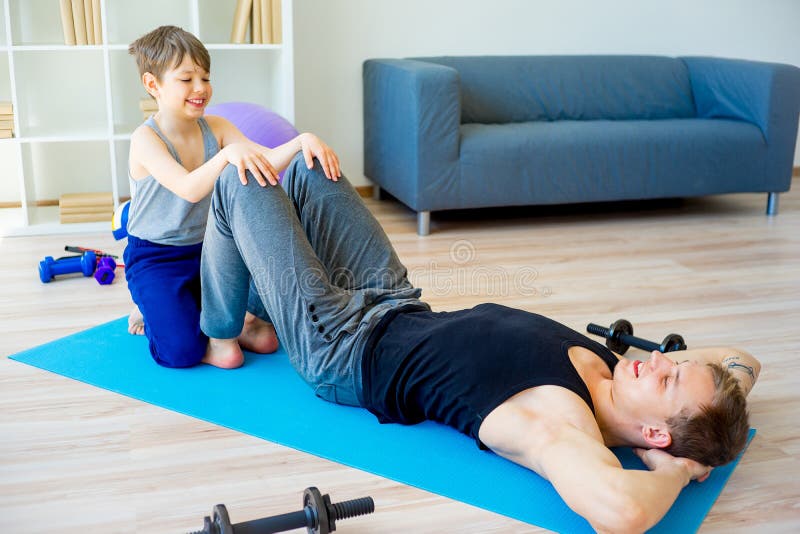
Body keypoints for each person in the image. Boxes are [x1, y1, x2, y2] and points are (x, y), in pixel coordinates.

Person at [199, 154, 760, 533]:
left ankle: (222, 332)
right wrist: (704, 416)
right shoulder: (619, 372)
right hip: (394, 299)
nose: (658, 359)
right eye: (672, 364)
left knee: (239, 179)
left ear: (657, 436)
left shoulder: (559, 424)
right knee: (309, 165)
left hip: (344, 347)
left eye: (669, 377)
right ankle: (264, 306)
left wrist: (676, 471)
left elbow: (623, 514)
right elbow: (743, 361)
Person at [124, 25, 341, 369]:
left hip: (211, 250)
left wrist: (302, 141)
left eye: (205, 78)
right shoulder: (145, 139)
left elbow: (265, 160)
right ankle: (147, 308)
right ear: (153, 85)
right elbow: (189, 188)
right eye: (186, 79)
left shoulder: (217, 127)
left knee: (271, 300)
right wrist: (227, 156)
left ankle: (237, 324)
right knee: (180, 353)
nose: (200, 88)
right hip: (157, 257)